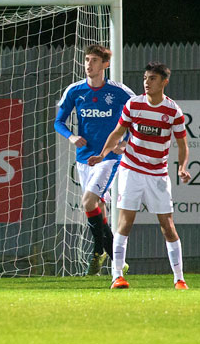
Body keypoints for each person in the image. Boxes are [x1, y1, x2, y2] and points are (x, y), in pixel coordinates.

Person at [89, 61, 191, 290]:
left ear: (164, 81)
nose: (147, 82)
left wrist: (182, 166)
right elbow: (118, 133)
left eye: (152, 79)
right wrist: (102, 154)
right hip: (132, 169)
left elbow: (182, 144)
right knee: (125, 222)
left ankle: (179, 279)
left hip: (157, 173)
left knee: (168, 225)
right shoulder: (133, 104)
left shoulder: (173, 110)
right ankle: (117, 276)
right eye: (145, 78)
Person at [54, 45, 134, 275]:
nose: (89, 64)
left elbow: (138, 115)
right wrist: (72, 136)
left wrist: (125, 144)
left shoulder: (119, 92)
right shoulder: (75, 90)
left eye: (95, 60)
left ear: (105, 65)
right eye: (87, 59)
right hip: (84, 158)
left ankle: (106, 256)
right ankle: (105, 254)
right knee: (99, 207)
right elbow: (58, 122)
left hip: (109, 158)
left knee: (88, 202)